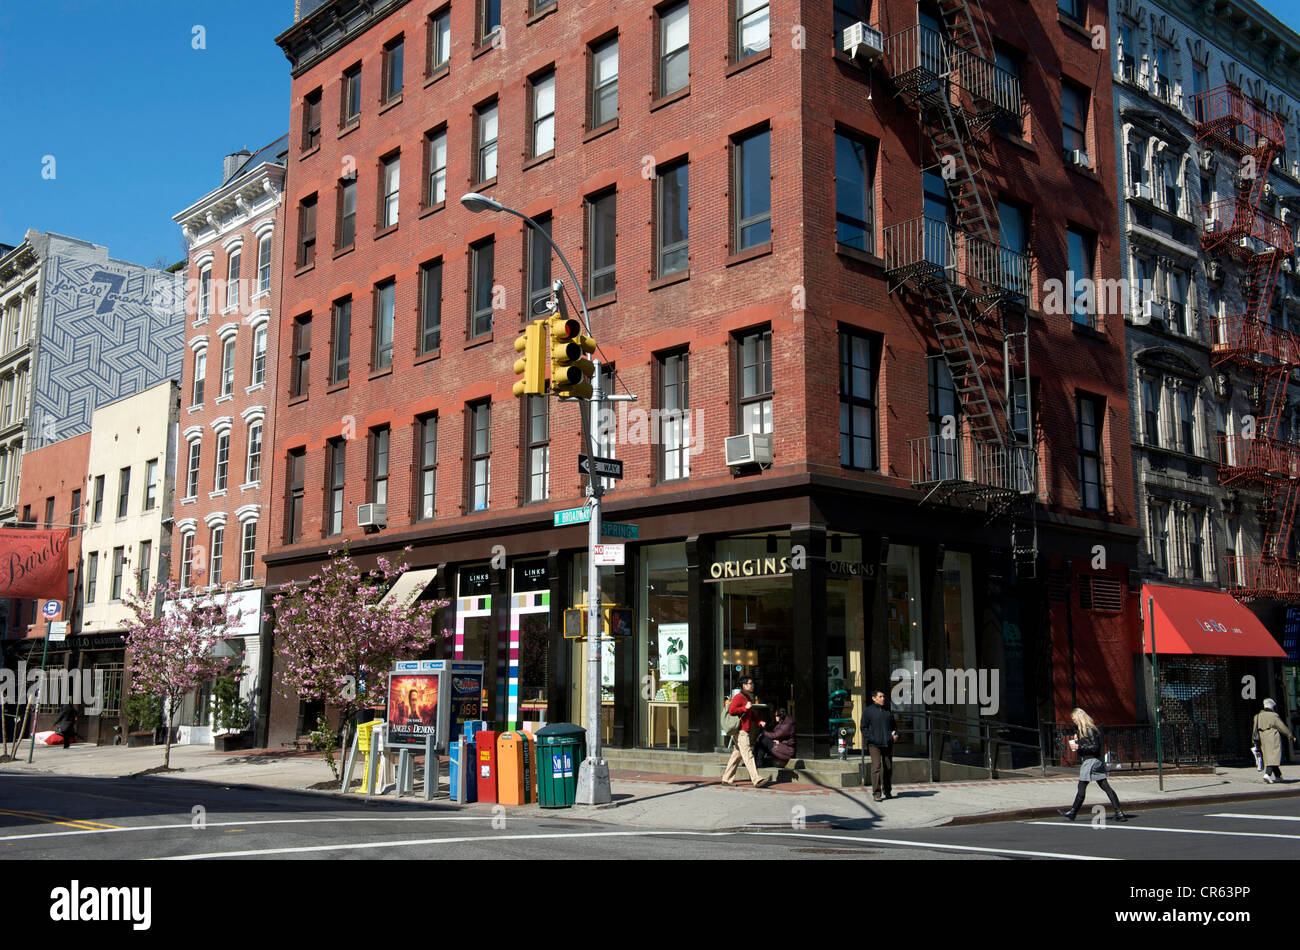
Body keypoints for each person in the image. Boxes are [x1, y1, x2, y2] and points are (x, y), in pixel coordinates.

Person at [1059, 707, 1130, 821]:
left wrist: (1078, 746)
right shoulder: (1085, 730)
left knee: (1081, 787)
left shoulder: (1089, 729)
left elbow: (1095, 747)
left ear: (1079, 717)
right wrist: (1078, 741)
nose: (1074, 722)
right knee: (1105, 786)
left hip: (1091, 761)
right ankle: (1119, 812)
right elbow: (1088, 746)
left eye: (1075, 719)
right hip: (1096, 761)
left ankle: (1073, 812)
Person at [721, 677, 771, 788]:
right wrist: (744, 708)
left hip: (744, 730)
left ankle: (726, 778)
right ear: (743, 685)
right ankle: (757, 779)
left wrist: (759, 721)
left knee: (736, 755)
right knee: (748, 754)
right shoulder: (739, 697)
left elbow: (751, 713)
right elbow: (732, 710)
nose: (752, 685)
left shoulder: (747, 697)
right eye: (750, 683)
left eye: (752, 683)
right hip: (740, 730)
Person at [861, 689, 898, 802]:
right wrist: (872, 739)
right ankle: (877, 793)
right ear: (874, 698)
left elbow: (894, 726)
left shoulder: (888, 711)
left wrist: (895, 735)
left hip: (887, 743)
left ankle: (887, 791)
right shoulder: (868, 711)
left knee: (888, 767)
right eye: (880, 696)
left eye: (883, 696)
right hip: (874, 745)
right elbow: (864, 728)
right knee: (876, 767)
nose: (883, 698)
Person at [1253, 698, 1295, 784]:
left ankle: (1278, 776)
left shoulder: (1258, 716)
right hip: (1272, 737)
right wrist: (1290, 735)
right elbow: (1282, 727)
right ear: (1272, 707)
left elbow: (1254, 730)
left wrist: (1254, 741)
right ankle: (1267, 774)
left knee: (1270, 757)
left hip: (1262, 738)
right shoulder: (1273, 716)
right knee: (1273, 756)